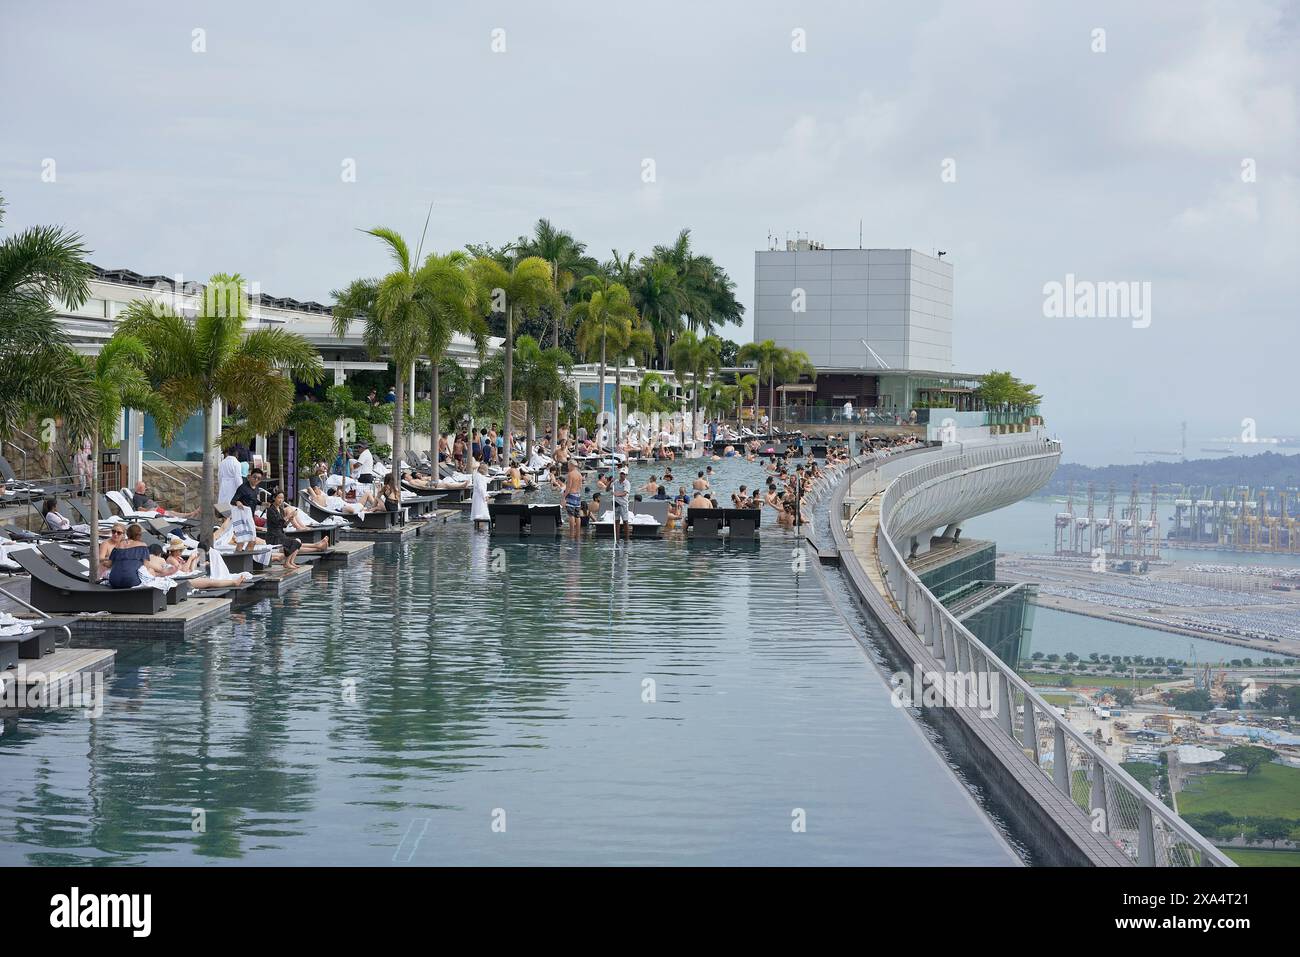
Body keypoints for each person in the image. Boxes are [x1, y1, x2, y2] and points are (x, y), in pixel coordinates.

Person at [106, 524, 152, 589]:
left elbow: (109, 564)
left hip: (114, 580)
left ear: (127, 533)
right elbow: (146, 566)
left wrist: (102, 561)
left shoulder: (118, 545)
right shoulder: (142, 546)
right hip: (131, 580)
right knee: (151, 571)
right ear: (139, 534)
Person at [217, 446, 242, 516]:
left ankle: (224, 525)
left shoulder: (222, 463)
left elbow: (219, 476)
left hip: (223, 486)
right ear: (235, 453)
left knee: (224, 510)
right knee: (232, 512)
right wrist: (242, 490)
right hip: (232, 487)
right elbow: (238, 478)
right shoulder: (237, 463)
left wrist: (221, 486)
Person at [563, 460, 583, 535]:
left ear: (571, 465)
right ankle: (577, 533)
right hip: (578, 495)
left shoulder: (570, 474)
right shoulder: (579, 474)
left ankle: (571, 532)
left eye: (568, 465)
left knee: (571, 515)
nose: (567, 467)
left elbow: (568, 487)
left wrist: (564, 497)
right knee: (577, 515)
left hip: (571, 495)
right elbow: (580, 486)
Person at [469, 463, 491, 530]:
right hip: (480, 497)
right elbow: (481, 487)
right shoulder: (479, 477)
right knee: (480, 512)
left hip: (479, 496)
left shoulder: (478, 476)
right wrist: (485, 495)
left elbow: (485, 480)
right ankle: (480, 526)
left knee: (480, 511)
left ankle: (479, 525)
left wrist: (491, 479)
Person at [612, 468, 631, 540]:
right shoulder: (615, 482)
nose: (622, 475)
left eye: (624, 474)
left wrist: (616, 494)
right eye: (621, 474)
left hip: (623, 504)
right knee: (616, 521)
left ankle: (627, 539)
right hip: (616, 503)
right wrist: (610, 481)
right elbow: (607, 489)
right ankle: (617, 538)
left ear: (626, 475)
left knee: (625, 521)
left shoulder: (627, 483)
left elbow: (625, 493)